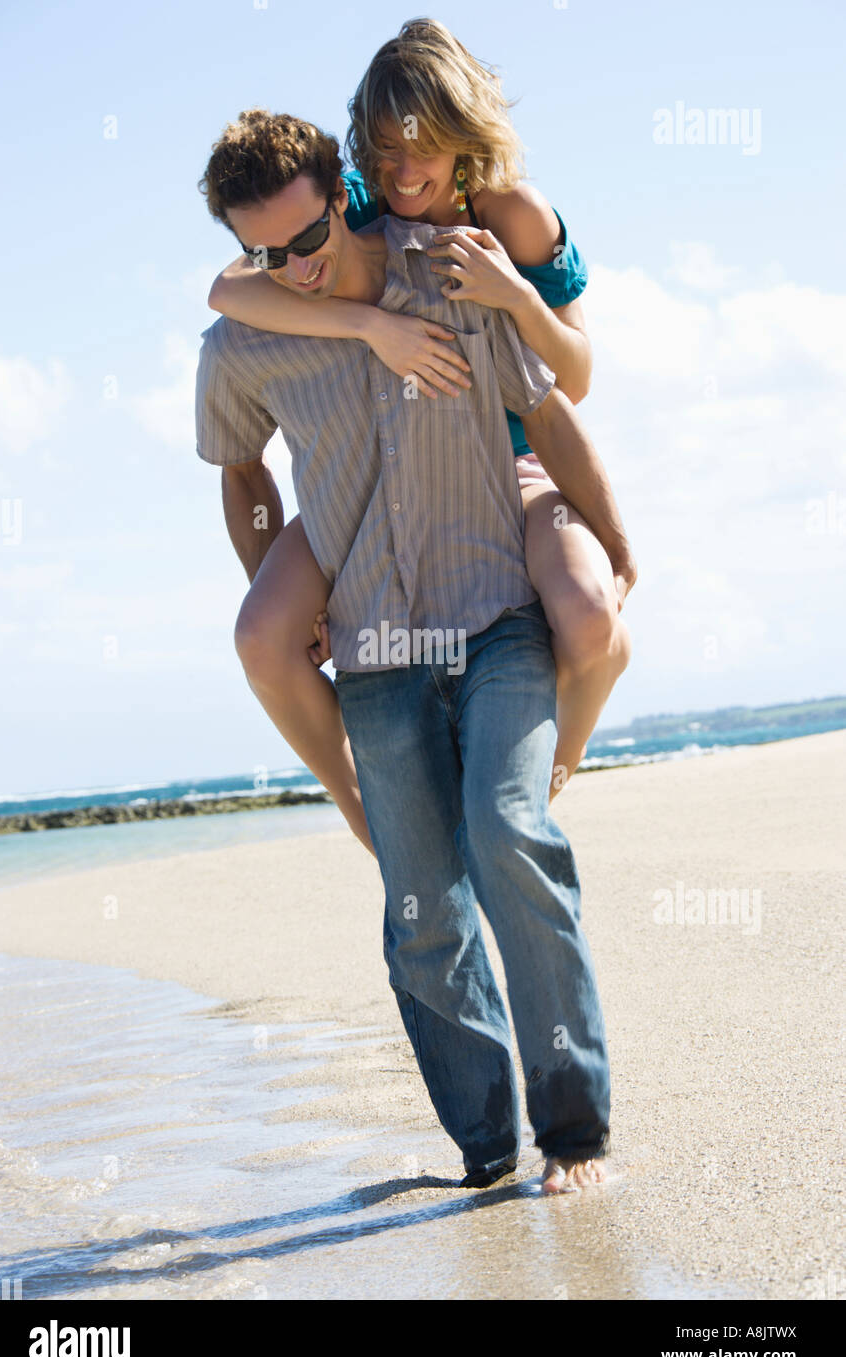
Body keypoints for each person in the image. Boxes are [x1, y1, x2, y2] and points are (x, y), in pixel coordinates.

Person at [196, 109, 635, 1192]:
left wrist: (619, 545)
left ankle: (574, 1132)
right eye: (265, 254)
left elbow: (550, 400)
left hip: (495, 610)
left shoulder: (441, 269)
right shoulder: (240, 342)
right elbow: (241, 470)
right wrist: (270, 580)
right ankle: (486, 1150)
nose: (291, 269)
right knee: (421, 912)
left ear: (340, 193)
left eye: (307, 241)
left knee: (508, 829)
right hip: (375, 641)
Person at [206, 19, 634, 859]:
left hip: (510, 460)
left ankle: (558, 766)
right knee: (263, 634)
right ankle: (360, 802)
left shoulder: (512, 212)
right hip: (373, 473)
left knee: (589, 614)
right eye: (382, 151)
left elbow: (574, 381)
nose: (402, 173)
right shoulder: (352, 204)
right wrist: (372, 327)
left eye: (423, 149)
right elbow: (229, 288)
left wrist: (513, 295)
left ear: (461, 137)